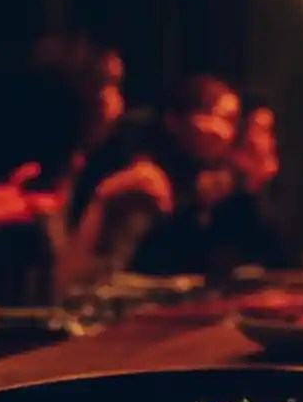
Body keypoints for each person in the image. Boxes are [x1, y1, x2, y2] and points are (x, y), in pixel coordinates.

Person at [65, 76, 287, 280]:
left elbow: (267, 253)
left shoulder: (215, 173)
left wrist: (251, 187)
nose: (226, 133)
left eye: (232, 122)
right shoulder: (134, 148)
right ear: (175, 120)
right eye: (220, 118)